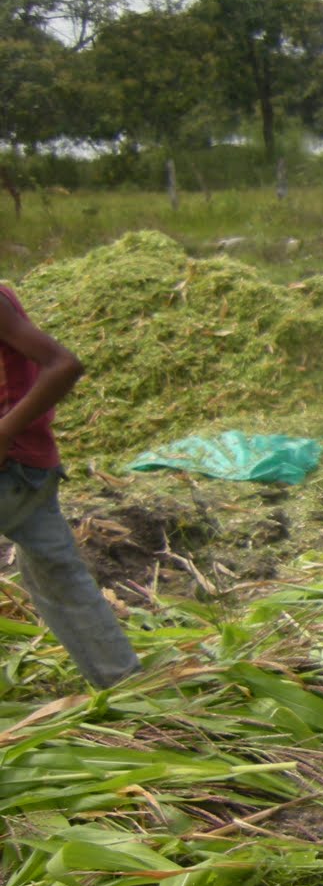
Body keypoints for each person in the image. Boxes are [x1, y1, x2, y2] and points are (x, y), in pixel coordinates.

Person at [0, 283, 141, 689]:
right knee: (58, 577)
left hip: (11, 468)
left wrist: (4, 430)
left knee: (58, 576)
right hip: (32, 466)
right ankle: (125, 688)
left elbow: (63, 365)